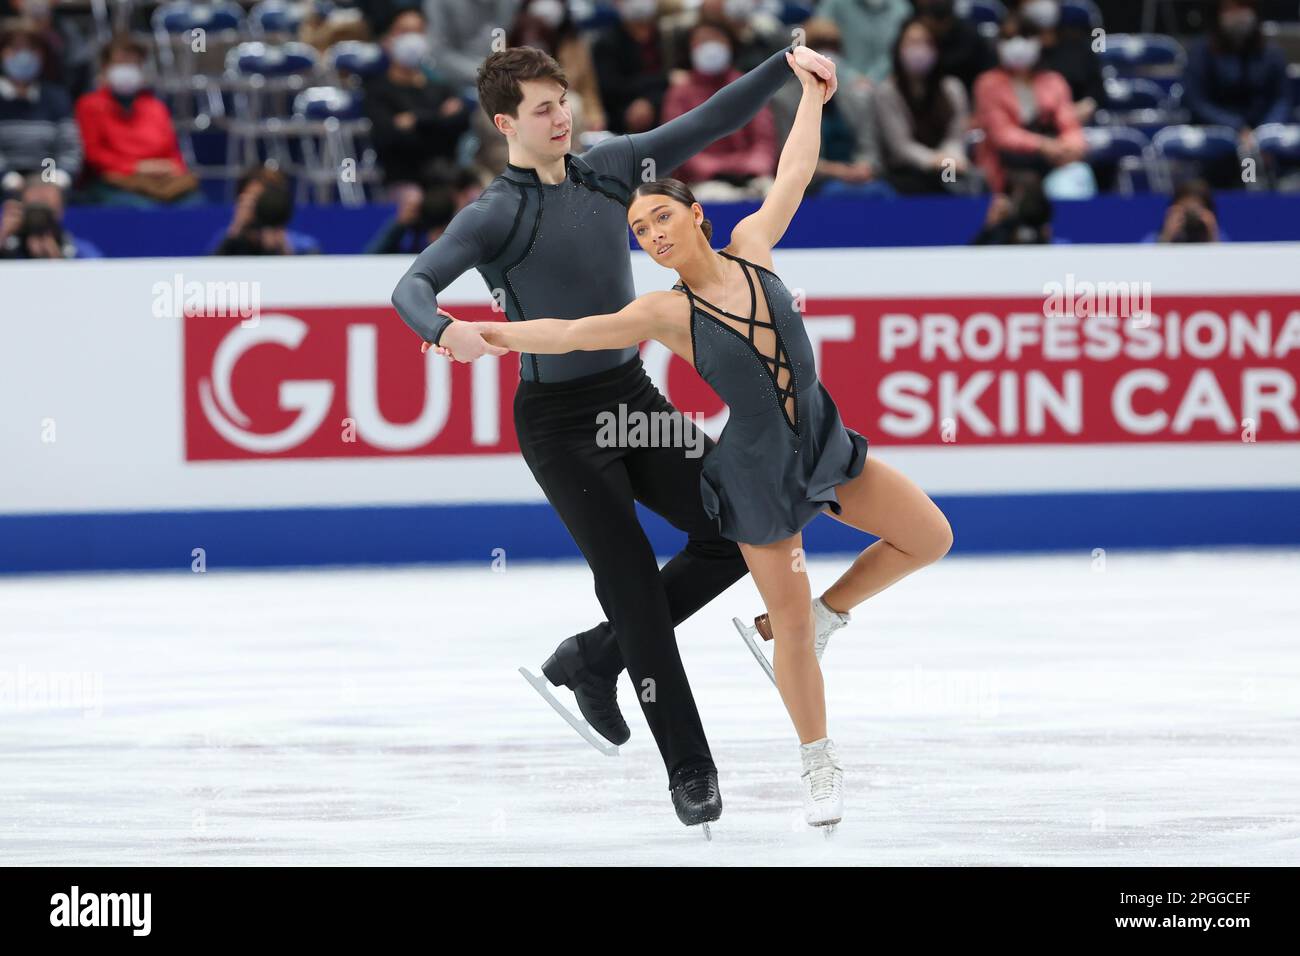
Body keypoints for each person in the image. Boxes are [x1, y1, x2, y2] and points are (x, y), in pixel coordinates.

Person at [453, 57, 952, 828]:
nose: (651, 233)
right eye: (640, 228)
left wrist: (812, 99)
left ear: (697, 216)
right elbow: (571, 331)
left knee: (929, 535)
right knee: (785, 628)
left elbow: (793, 169)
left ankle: (830, 616)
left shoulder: (755, 246)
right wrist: (486, 335)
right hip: (755, 474)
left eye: (661, 217)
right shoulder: (664, 312)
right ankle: (818, 764)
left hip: (823, 442)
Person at [391, 42, 839, 830]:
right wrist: (443, 330)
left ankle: (594, 658)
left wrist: (785, 65)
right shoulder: (496, 212)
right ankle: (690, 771)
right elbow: (411, 285)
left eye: (562, 100)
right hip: (561, 429)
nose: (560, 116)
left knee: (735, 531)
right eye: (541, 108)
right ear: (506, 123)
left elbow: (711, 118)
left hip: (630, 400)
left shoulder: (615, 166)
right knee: (632, 590)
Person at [972, 12, 1093, 200]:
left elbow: (1069, 125)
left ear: (1039, 41)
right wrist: (1043, 145)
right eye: (1009, 38)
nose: (1018, 44)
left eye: (1025, 36)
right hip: (1005, 171)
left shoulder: (1054, 81)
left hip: (1052, 164)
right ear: (999, 44)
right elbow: (1001, 134)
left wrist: (1072, 146)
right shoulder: (987, 84)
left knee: (1079, 174)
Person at [74, 35, 200, 206]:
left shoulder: (155, 107)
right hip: (113, 182)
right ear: (105, 68)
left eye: (133, 63)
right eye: (121, 63)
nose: (127, 69)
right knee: (141, 208)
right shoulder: (90, 105)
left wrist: (173, 168)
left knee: (194, 203)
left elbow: (172, 152)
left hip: (160, 180)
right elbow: (93, 154)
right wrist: (134, 167)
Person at [660, 19, 776, 198]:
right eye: (702, 41)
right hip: (702, 182)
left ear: (730, 45)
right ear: (690, 49)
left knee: (775, 195)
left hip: (751, 175)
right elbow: (677, 146)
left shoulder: (749, 85)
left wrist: (753, 168)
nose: (710, 46)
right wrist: (715, 171)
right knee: (717, 197)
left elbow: (764, 140)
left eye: (717, 40)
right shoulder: (679, 93)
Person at [364, 7, 470, 199]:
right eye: (404, 31)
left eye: (418, 31)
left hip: (446, 175)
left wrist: (415, 120)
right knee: (412, 199)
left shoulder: (440, 86)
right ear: (387, 39)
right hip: (403, 178)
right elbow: (389, 137)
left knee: (476, 197)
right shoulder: (377, 90)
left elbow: (460, 124)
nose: (412, 38)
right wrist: (439, 118)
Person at [1185, 0, 1290, 188]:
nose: (1237, 15)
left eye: (1242, 7)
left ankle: (1255, 198)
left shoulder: (1272, 54)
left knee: (1256, 171)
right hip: (1217, 142)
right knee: (1239, 166)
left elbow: (1282, 99)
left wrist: (1265, 134)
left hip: (1262, 141)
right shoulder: (1201, 53)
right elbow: (1198, 102)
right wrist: (1237, 127)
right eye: (1230, 9)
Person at [875, 17, 979, 195]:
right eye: (913, 42)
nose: (919, 49)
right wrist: (934, 160)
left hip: (946, 165)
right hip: (904, 170)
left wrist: (949, 158)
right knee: (915, 186)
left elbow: (955, 136)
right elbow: (900, 146)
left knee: (961, 182)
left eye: (926, 43)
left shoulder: (952, 88)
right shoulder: (887, 92)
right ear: (899, 49)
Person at [0, 20, 80, 183]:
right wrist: (8, 180)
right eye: (15, 48)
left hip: (47, 185)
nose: (23, 55)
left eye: (31, 49)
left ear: (42, 55)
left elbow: (69, 148)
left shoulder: (57, 97)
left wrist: (54, 180)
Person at [209, 166, 320, 255]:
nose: (256, 207)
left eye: (260, 200)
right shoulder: (229, 241)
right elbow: (210, 277)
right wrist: (236, 229)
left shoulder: (304, 246)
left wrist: (281, 247)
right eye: (250, 201)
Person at [0, 171, 100, 258]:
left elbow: (96, 273)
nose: (40, 219)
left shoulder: (79, 251)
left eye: (46, 212)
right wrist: (3, 234)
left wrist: (59, 263)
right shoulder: (7, 246)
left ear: (61, 211)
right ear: (20, 208)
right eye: (33, 210)